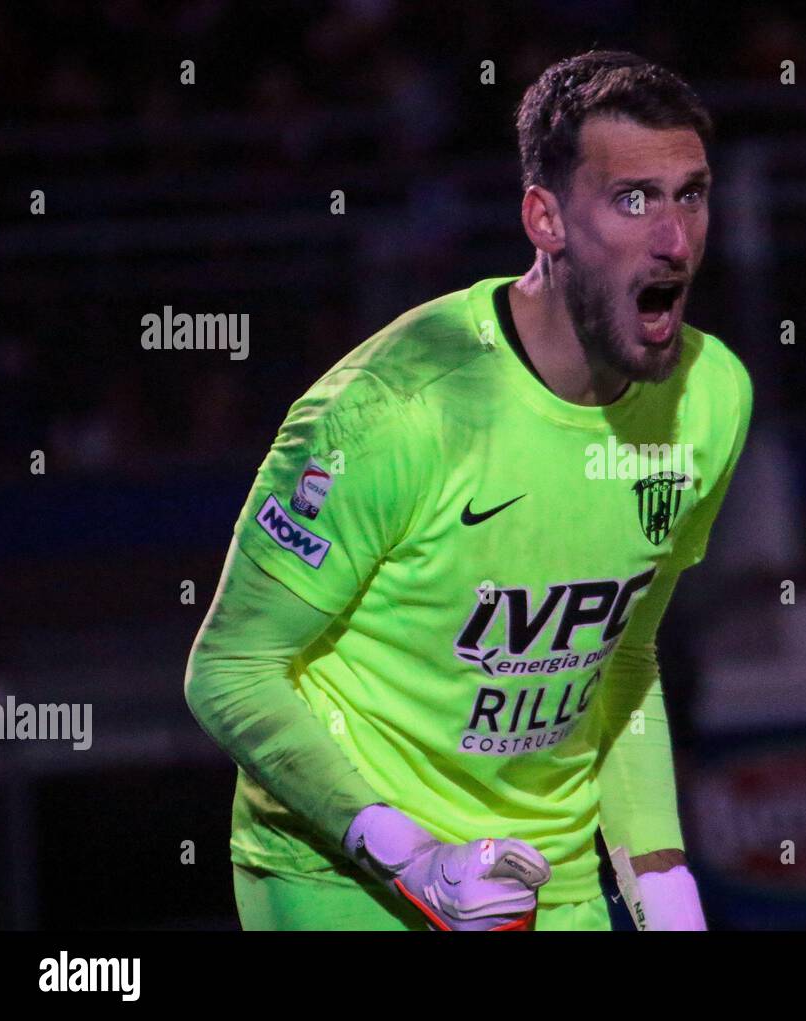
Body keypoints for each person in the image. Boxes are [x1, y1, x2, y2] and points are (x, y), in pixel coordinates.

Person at [184, 49, 752, 931]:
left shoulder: (712, 399)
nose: (675, 237)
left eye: (692, 193)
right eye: (632, 200)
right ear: (545, 219)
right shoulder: (394, 411)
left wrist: (662, 881)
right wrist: (409, 855)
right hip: (346, 871)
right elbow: (231, 670)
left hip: (547, 875)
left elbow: (622, 660)